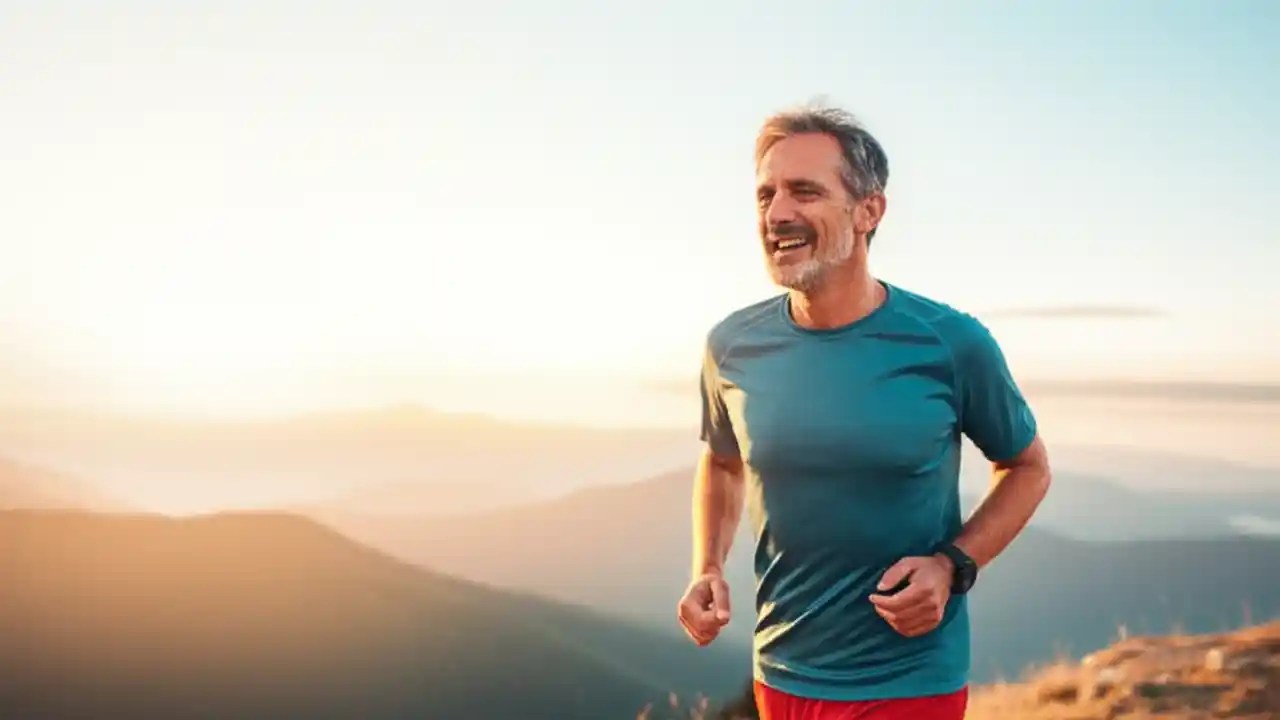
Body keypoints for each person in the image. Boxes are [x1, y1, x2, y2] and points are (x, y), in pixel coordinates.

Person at [676, 104, 1052, 720]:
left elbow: (1028, 467)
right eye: (766, 195)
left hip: (910, 680)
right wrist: (707, 567)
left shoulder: (950, 343)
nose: (777, 213)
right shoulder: (732, 346)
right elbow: (721, 462)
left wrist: (953, 565)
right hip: (780, 674)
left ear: (869, 211)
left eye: (804, 191)